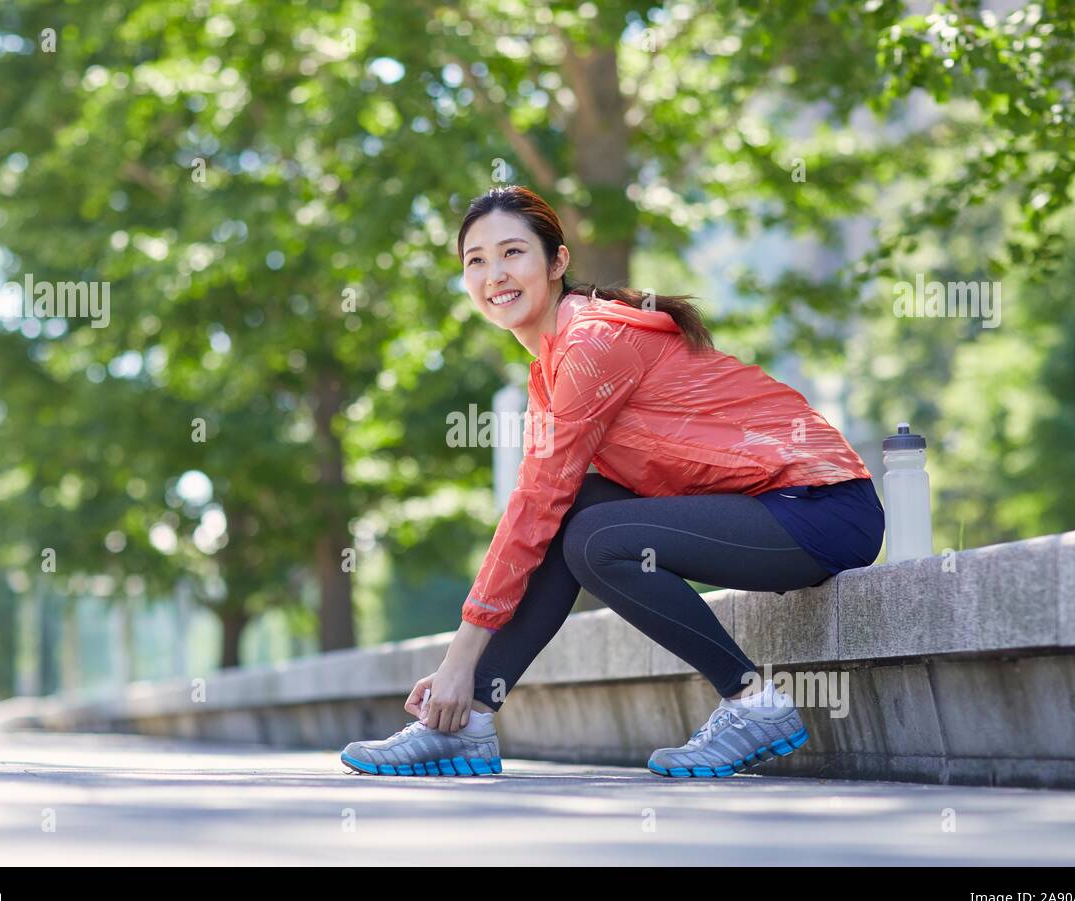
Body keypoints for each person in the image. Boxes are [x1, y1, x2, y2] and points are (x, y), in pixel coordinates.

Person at [339, 185, 884, 778]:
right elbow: (540, 512)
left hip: (822, 508)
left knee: (595, 536)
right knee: (577, 512)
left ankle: (754, 703)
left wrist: (458, 658)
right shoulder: (550, 367)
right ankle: (466, 720)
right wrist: (464, 671)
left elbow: (533, 505)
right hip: (761, 510)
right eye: (476, 259)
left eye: (513, 253)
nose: (494, 273)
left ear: (557, 262)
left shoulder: (594, 342)